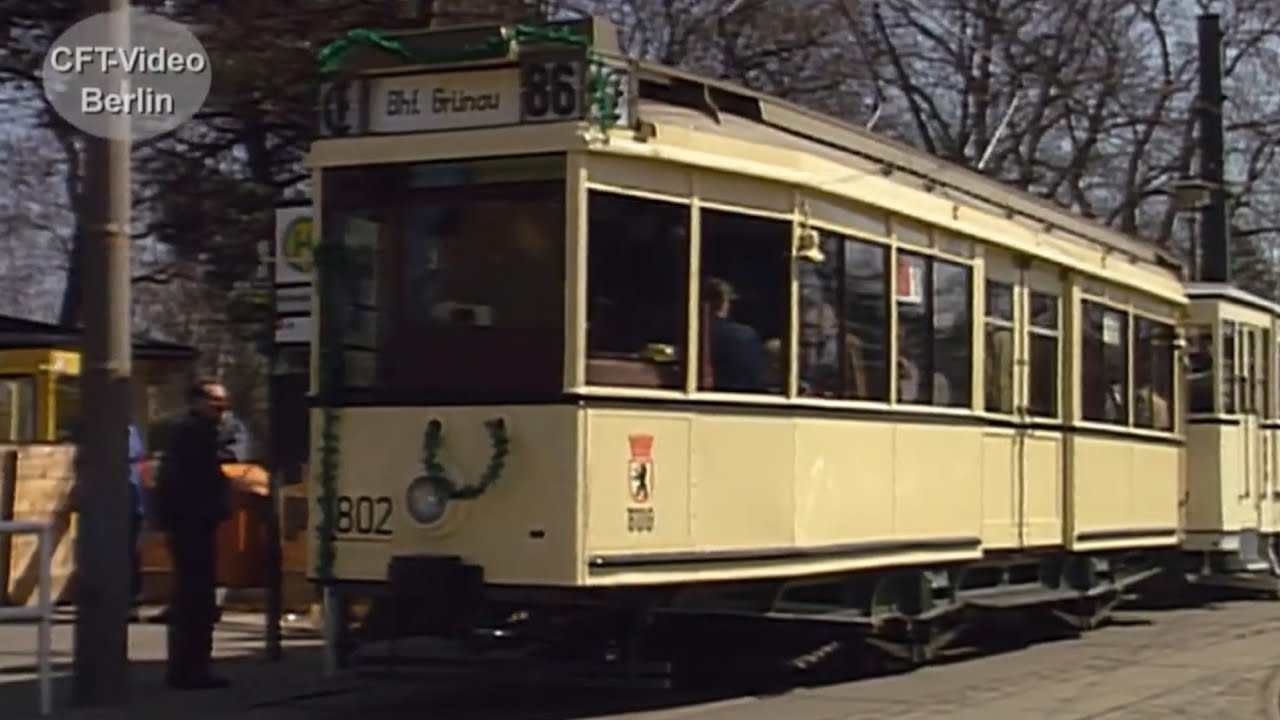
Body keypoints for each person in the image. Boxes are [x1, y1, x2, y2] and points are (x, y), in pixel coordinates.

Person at [151, 379, 232, 690]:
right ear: (197, 401)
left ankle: (189, 668)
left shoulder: (194, 433)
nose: (221, 406)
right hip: (192, 524)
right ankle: (191, 670)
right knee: (195, 597)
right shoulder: (193, 435)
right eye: (214, 400)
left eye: (222, 400)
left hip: (192, 523)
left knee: (193, 595)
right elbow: (190, 482)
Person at [704, 277, 766, 392]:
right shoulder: (743, 336)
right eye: (729, 301)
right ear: (722, 302)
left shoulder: (684, 333)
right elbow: (754, 377)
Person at [128, 423, 146, 622]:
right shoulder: (131, 431)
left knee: (128, 552)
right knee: (129, 552)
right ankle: (131, 601)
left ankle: (132, 601)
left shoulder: (126, 432)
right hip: (133, 501)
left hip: (129, 501)